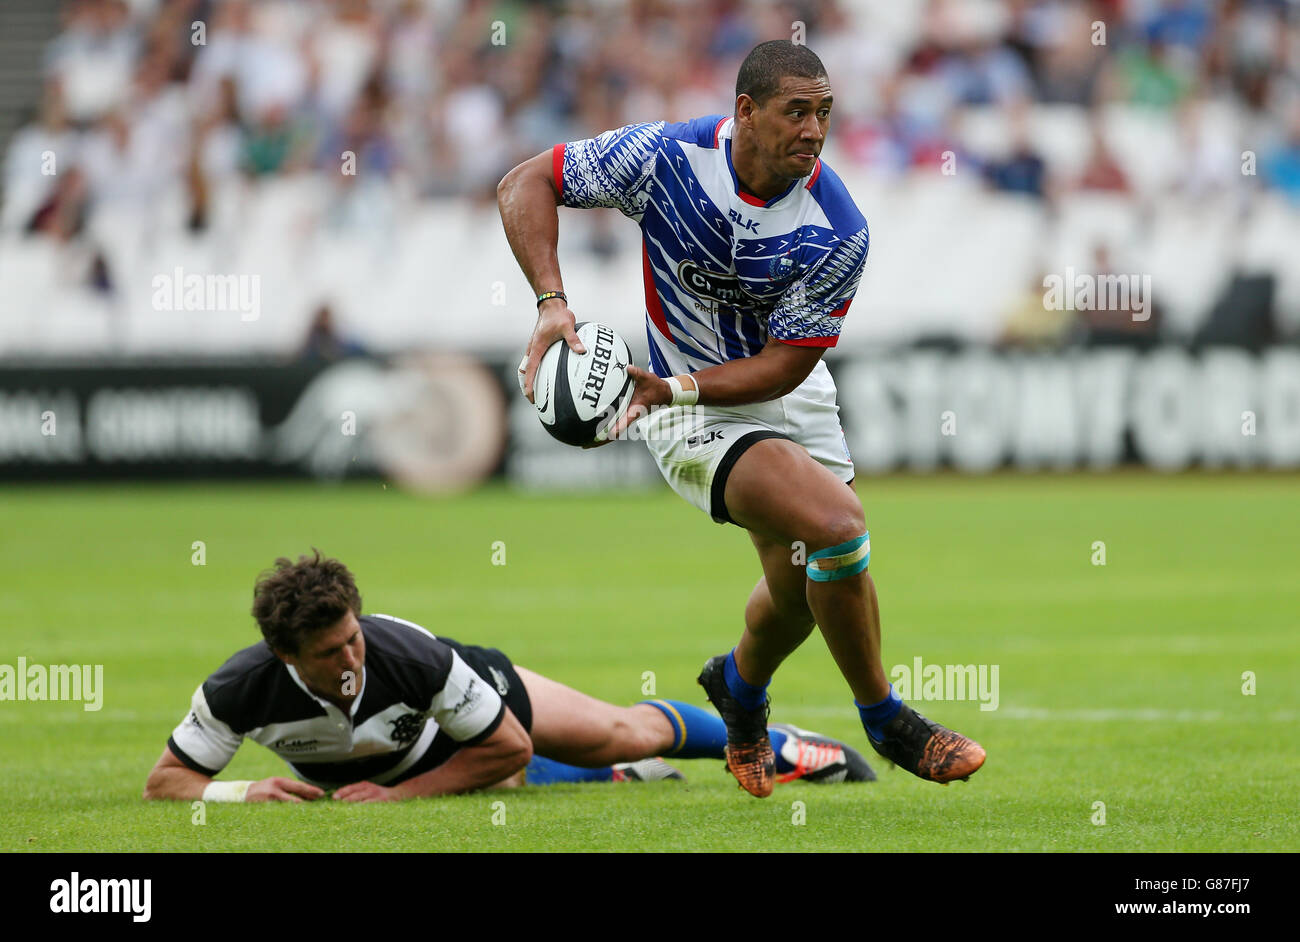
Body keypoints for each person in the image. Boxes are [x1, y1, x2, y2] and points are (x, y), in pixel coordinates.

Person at [499, 40, 986, 798]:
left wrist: (679, 386)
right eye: (797, 112)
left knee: (800, 586)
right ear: (746, 112)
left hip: (775, 391)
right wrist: (551, 300)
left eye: (824, 113)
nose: (814, 130)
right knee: (837, 525)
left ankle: (739, 687)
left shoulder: (838, 226)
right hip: (683, 410)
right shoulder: (664, 157)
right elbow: (526, 181)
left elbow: (790, 364)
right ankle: (885, 717)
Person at [142, 551, 873, 803]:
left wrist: (396, 798)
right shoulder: (238, 690)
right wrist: (248, 790)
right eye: (330, 653)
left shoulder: (410, 659)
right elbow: (166, 782)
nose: (350, 659)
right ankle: (628, 780)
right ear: (285, 657)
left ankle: (786, 746)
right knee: (513, 790)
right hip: (416, 758)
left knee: (617, 734)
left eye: (353, 638)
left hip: (478, 699)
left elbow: (508, 746)